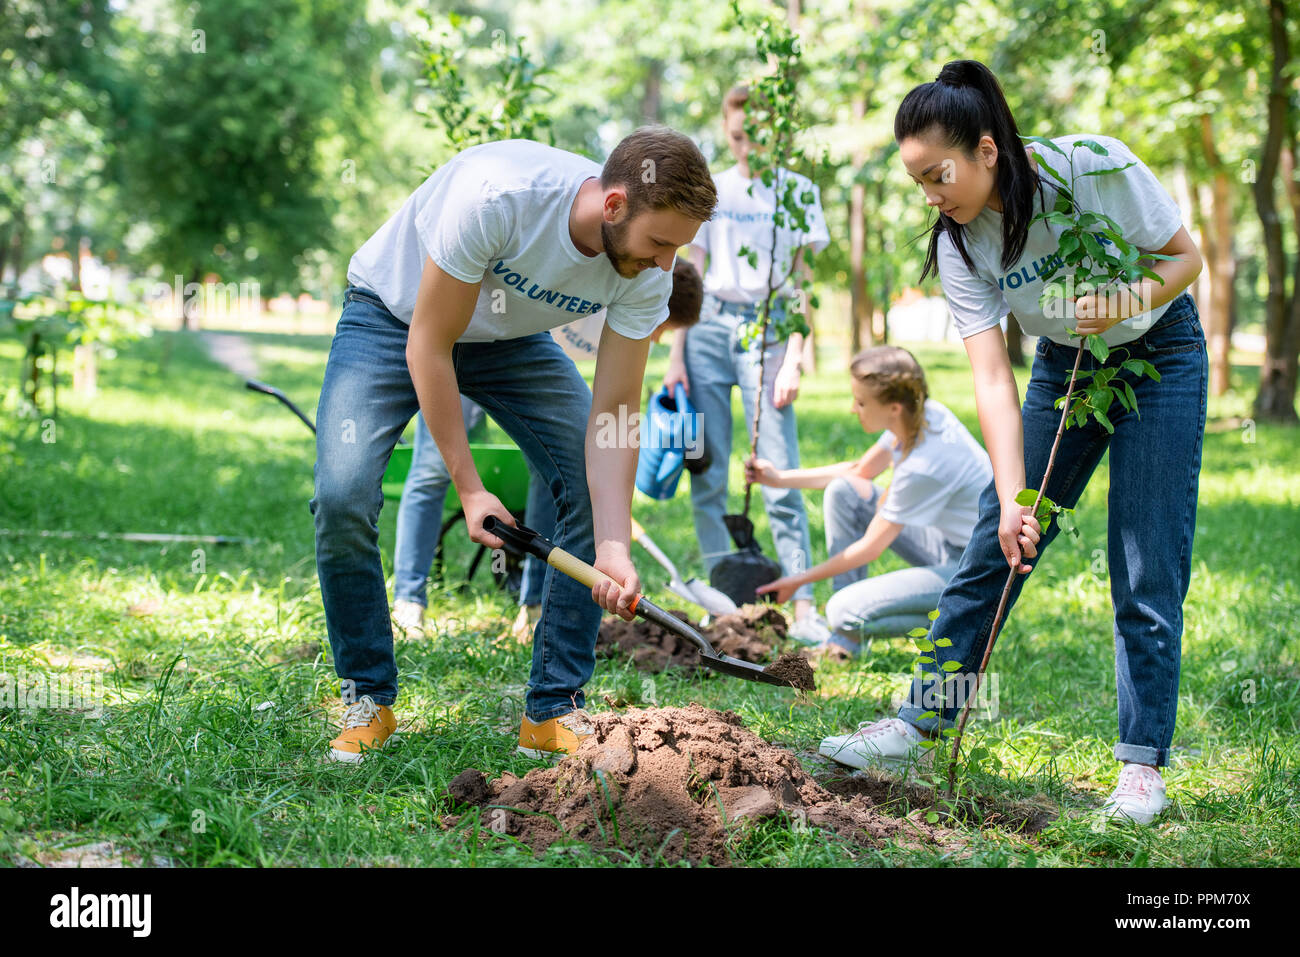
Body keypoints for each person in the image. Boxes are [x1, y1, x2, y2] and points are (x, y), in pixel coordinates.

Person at [820, 60, 1205, 828]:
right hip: (1065, 368)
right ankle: (919, 719)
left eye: (939, 175)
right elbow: (993, 377)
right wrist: (1010, 497)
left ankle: (1140, 768)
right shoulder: (961, 246)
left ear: (988, 151)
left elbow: (1184, 259)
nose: (932, 197)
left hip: (1158, 357)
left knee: (1145, 558)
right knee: (995, 547)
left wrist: (1125, 298)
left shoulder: (1093, 168)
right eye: (919, 183)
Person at [313, 129, 716, 763]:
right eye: (660, 243)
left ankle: (554, 709)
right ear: (613, 207)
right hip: (395, 318)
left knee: (587, 482)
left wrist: (613, 542)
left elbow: (614, 411)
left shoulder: (647, 272)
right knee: (341, 497)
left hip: (509, 339)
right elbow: (430, 343)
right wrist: (470, 489)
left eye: (678, 248)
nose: (667, 264)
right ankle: (368, 694)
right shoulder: (499, 196)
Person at [390, 259, 705, 643]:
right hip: (464, 337)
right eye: (664, 328)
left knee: (548, 468)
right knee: (434, 466)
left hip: (520, 363)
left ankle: (534, 603)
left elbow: (604, 400)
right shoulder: (598, 284)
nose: (657, 339)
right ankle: (408, 600)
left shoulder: (628, 314)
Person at [666, 84, 830, 641]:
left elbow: (804, 283)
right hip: (710, 322)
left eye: (757, 133)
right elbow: (689, 273)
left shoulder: (798, 193)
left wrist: (796, 357)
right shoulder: (713, 190)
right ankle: (721, 599)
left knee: (778, 468)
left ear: (777, 130)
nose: (746, 144)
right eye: (737, 134)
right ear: (727, 130)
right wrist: (676, 358)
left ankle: (802, 600)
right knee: (707, 466)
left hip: (772, 325)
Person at [746, 346, 992, 658]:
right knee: (843, 491)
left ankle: (973, 621)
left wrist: (797, 579)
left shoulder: (925, 466)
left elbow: (869, 549)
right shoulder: (923, 415)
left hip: (975, 570)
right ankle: (843, 642)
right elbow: (858, 473)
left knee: (842, 610)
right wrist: (778, 478)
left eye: (861, 402)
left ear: (894, 407)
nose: (853, 409)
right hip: (946, 543)